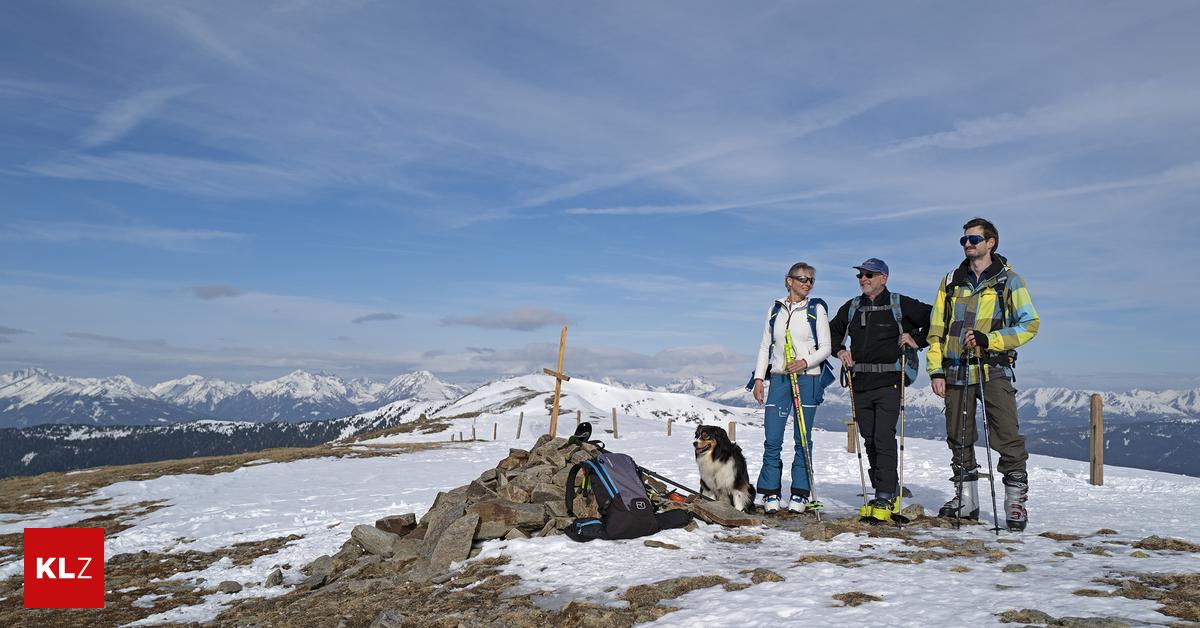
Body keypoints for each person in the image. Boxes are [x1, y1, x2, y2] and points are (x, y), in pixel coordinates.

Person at [927, 217, 1040, 531]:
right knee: (958, 434)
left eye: (974, 239)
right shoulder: (950, 281)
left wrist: (992, 340)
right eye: (964, 240)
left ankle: (1015, 502)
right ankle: (966, 499)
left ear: (991, 243)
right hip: (955, 370)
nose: (967, 244)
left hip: (993, 368)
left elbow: (1030, 324)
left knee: (1006, 433)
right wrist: (935, 369)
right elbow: (937, 328)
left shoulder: (1009, 281)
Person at [829, 258, 932, 521]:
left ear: (884, 278)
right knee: (870, 439)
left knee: (883, 437)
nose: (863, 279)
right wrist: (839, 349)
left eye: (869, 275)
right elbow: (831, 332)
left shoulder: (900, 304)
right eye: (860, 275)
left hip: (890, 381)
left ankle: (886, 497)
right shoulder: (852, 307)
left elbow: (936, 317)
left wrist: (917, 339)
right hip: (860, 382)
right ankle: (883, 492)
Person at [750, 262, 832, 514]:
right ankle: (769, 491)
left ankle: (800, 493)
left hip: (808, 378)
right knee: (772, 438)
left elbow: (826, 347)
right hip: (779, 378)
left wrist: (805, 362)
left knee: (802, 439)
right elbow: (766, 346)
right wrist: (759, 379)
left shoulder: (815, 309)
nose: (807, 284)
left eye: (811, 280)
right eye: (802, 279)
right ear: (789, 281)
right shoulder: (775, 309)